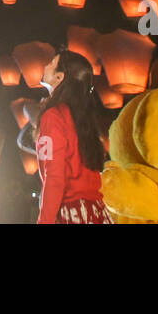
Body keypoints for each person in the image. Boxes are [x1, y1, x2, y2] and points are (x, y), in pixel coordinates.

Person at [35, 50, 113, 224]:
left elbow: (54, 176)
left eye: (52, 63)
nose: (46, 65)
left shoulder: (53, 117)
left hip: (73, 213)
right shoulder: (82, 119)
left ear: (59, 77)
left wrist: (44, 221)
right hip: (98, 212)